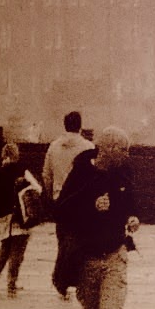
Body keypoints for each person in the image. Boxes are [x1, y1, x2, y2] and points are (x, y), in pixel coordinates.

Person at [53, 126, 140, 309]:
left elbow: (130, 202)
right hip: (88, 258)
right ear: (107, 150)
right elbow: (61, 210)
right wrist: (92, 206)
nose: (127, 156)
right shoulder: (81, 172)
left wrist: (132, 217)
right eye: (123, 150)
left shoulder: (122, 173)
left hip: (115, 256)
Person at [44, 111, 93, 298]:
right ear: (80, 126)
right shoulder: (87, 147)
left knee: (62, 241)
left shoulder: (54, 147)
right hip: (81, 203)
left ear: (65, 125)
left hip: (60, 201)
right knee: (80, 242)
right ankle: (76, 279)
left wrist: (50, 197)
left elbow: (46, 175)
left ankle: (60, 280)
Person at [0, 141, 40, 294]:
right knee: (18, 249)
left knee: (5, 248)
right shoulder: (22, 171)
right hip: (20, 216)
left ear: (3, 155)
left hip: (3, 218)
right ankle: (12, 281)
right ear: (16, 155)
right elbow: (38, 188)